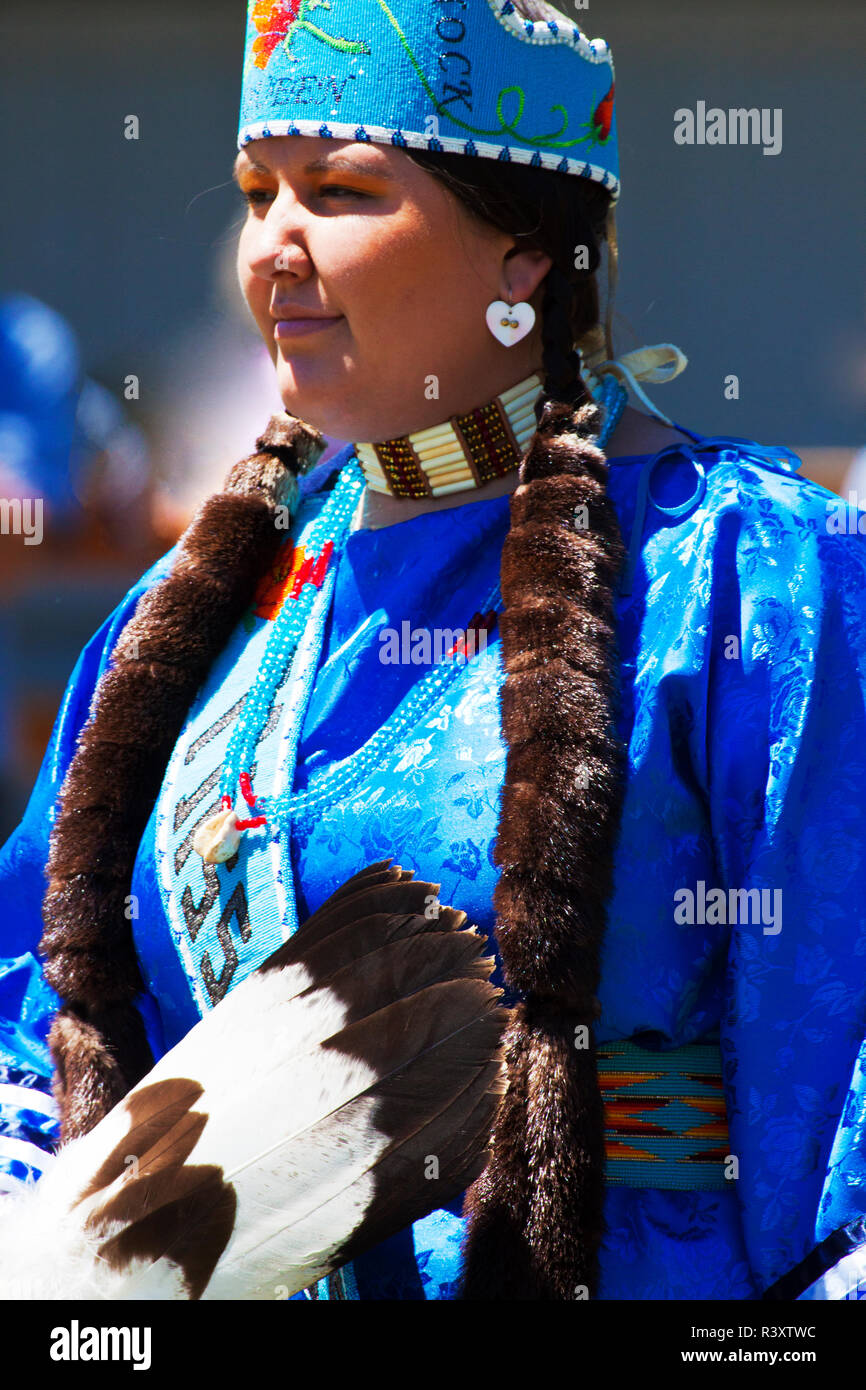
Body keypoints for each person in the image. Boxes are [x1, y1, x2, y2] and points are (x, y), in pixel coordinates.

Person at [2, 0, 866, 1301]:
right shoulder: (192, 620)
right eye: (256, 192)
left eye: (339, 192)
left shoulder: (741, 574)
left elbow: (839, 1072)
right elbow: (35, 1024)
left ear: (521, 254)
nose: (273, 248)